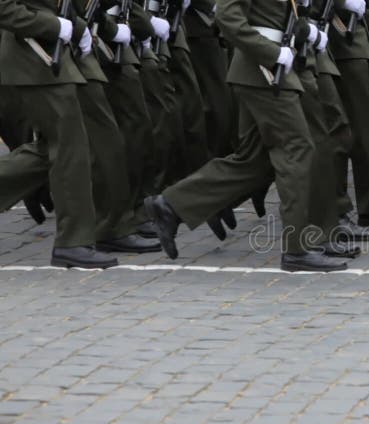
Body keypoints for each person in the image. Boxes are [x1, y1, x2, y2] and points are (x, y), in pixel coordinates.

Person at [144, 0, 348, 272]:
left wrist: (306, 31)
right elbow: (228, 17)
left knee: (256, 160)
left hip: (277, 67)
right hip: (262, 70)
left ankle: (171, 205)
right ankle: (297, 248)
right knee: (296, 148)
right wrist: (270, 53)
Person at [0, 0, 117, 268]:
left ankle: (75, 240)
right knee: (68, 148)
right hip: (33, 57)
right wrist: (53, 25)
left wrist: (75, 26)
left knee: (55, 150)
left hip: (55, 59)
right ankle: (72, 242)